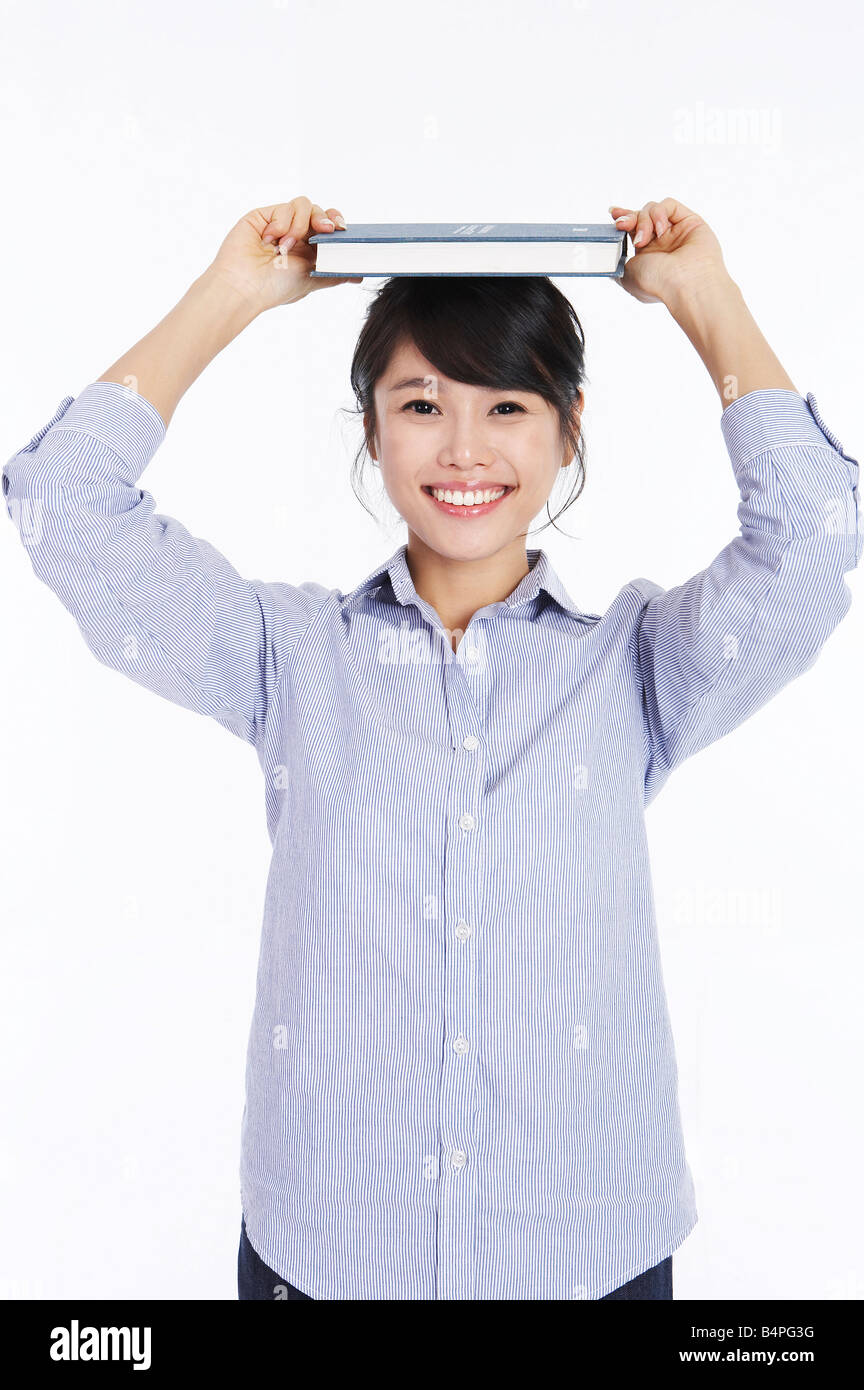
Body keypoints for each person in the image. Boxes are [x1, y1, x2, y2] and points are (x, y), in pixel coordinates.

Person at [4, 196, 860, 1301]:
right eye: (420, 403)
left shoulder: (638, 669)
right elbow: (62, 506)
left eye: (507, 405)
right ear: (370, 427)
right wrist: (233, 295)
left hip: (589, 1259)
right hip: (327, 1259)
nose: (464, 449)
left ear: (570, 428)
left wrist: (708, 298)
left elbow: (816, 539)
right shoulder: (289, 657)